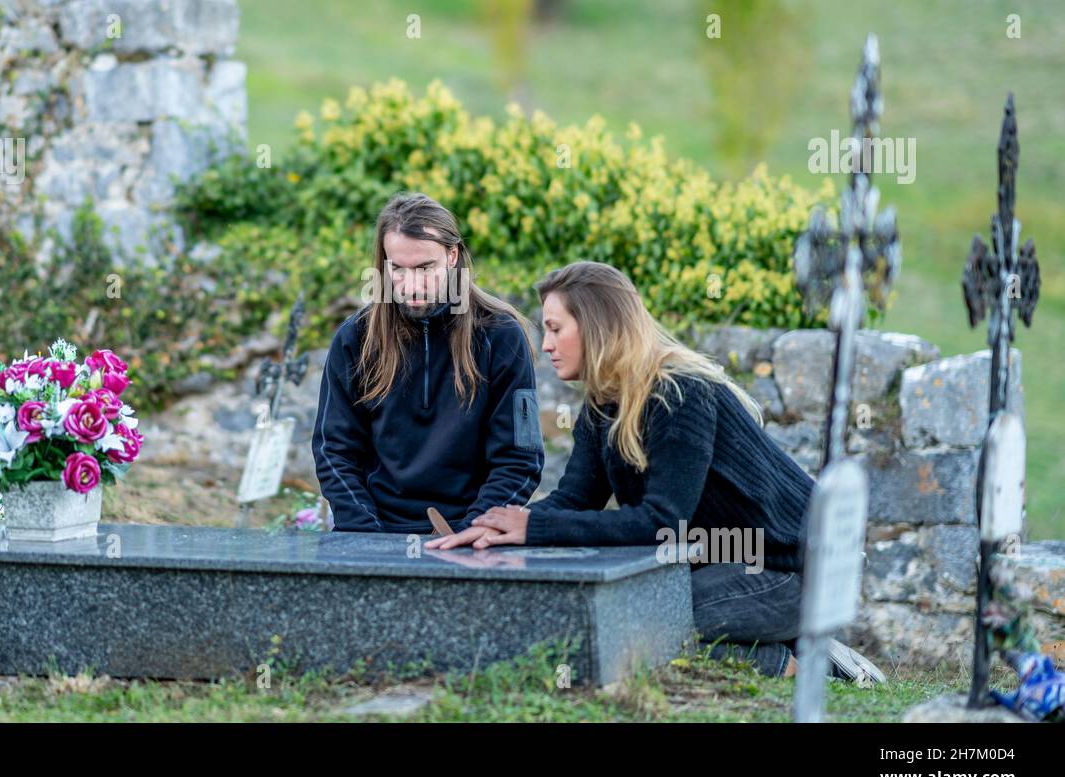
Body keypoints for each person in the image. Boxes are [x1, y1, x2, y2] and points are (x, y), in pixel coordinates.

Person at [427, 260, 885, 684]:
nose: (545, 344)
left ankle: (806, 664)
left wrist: (535, 526)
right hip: (732, 564)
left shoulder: (679, 393)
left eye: (554, 328)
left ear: (597, 326)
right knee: (620, 616)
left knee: (641, 628)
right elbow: (573, 501)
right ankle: (780, 641)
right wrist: (491, 530)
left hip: (794, 571)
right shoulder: (602, 403)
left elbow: (663, 522)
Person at [311, 192, 544, 537]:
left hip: (469, 534)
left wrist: (468, 533)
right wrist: (366, 538)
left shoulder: (501, 335)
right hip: (372, 534)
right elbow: (334, 451)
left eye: (424, 268)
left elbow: (520, 457)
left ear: (451, 256)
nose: (412, 285)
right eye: (397, 269)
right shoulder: (355, 338)